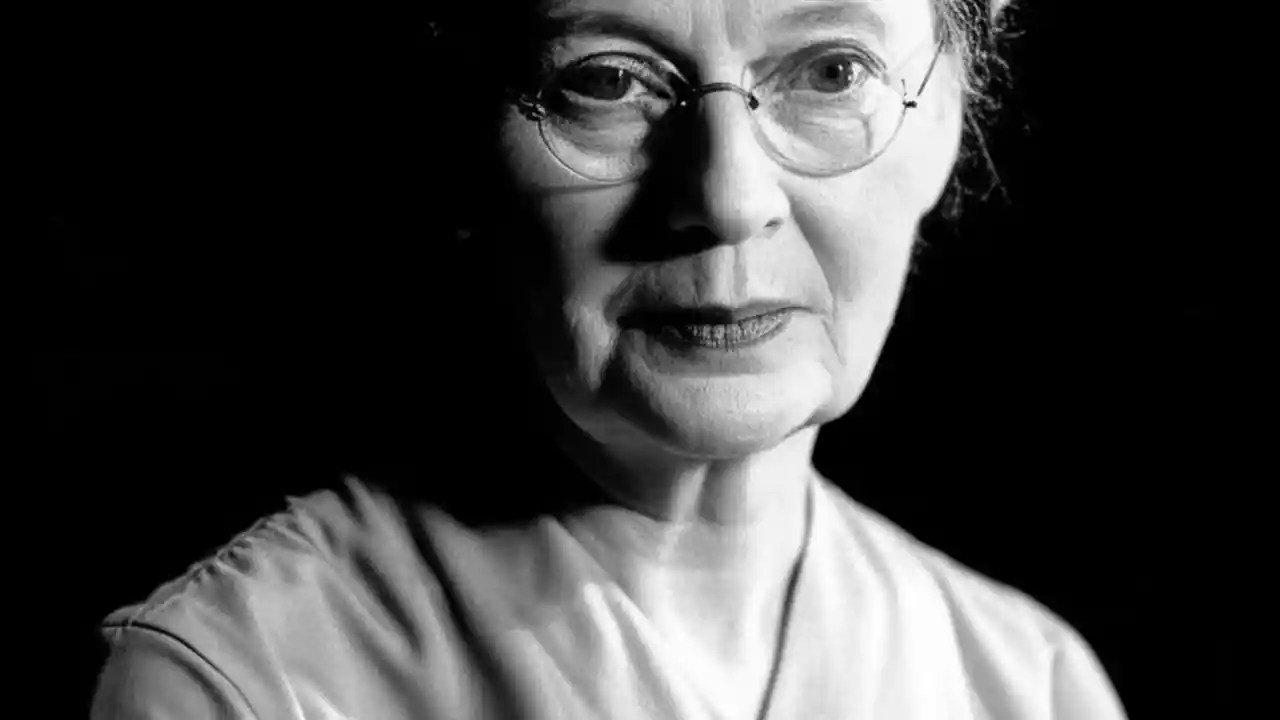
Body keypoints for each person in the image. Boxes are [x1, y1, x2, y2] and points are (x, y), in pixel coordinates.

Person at [90, 0, 1129, 718]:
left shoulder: (1028, 684)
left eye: (830, 71)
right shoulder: (245, 681)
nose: (725, 196)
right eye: (605, 80)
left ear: (949, 114)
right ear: (464, 131)